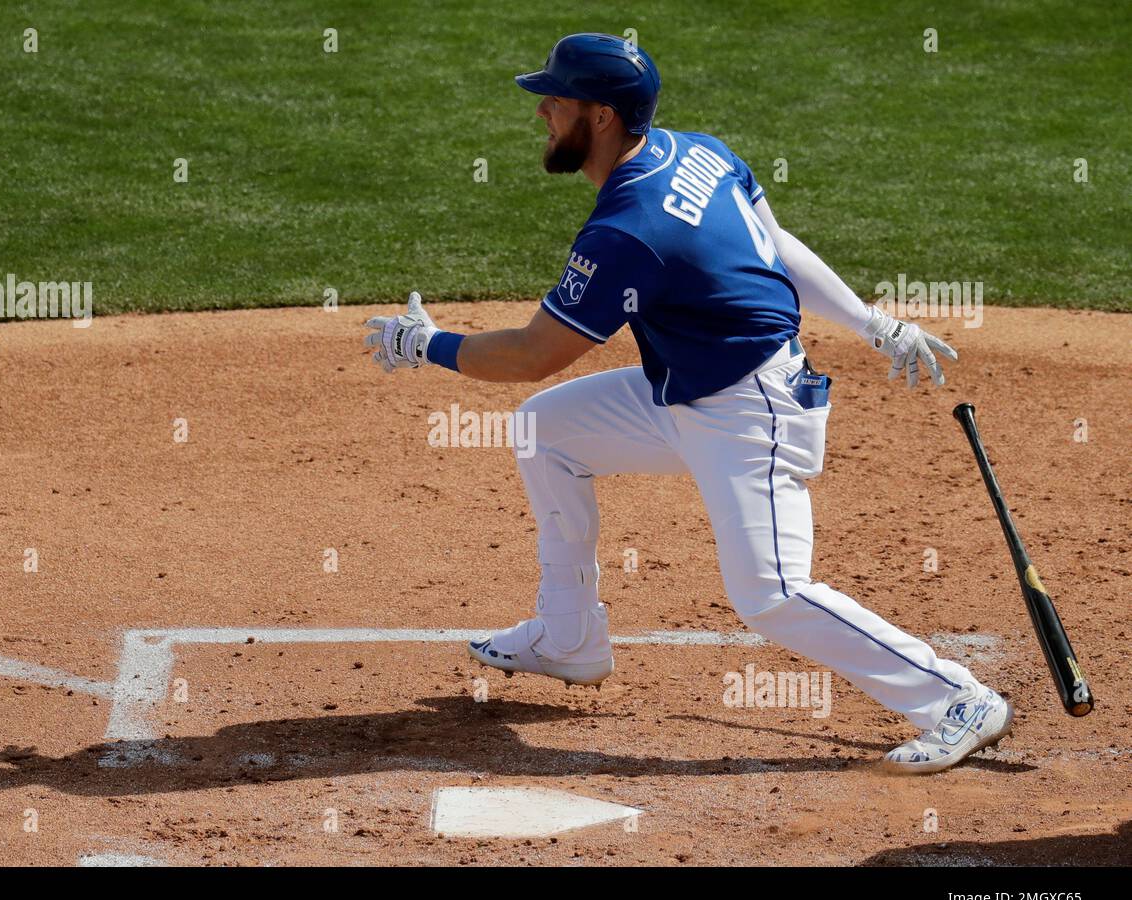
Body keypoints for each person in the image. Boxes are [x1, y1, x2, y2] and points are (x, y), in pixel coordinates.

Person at [363, 33, 1011, 773]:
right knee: (547, 429)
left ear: (601, 117)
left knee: (769, 594)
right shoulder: (694, 150)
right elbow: (775, 239)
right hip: (688, 389)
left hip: (751, 411)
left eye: (557, 98)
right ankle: (569, 636)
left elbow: (532, 354)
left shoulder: (627, 231)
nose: (542, 110)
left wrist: (428, 345)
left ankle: (957, 698)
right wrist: (874, 322)